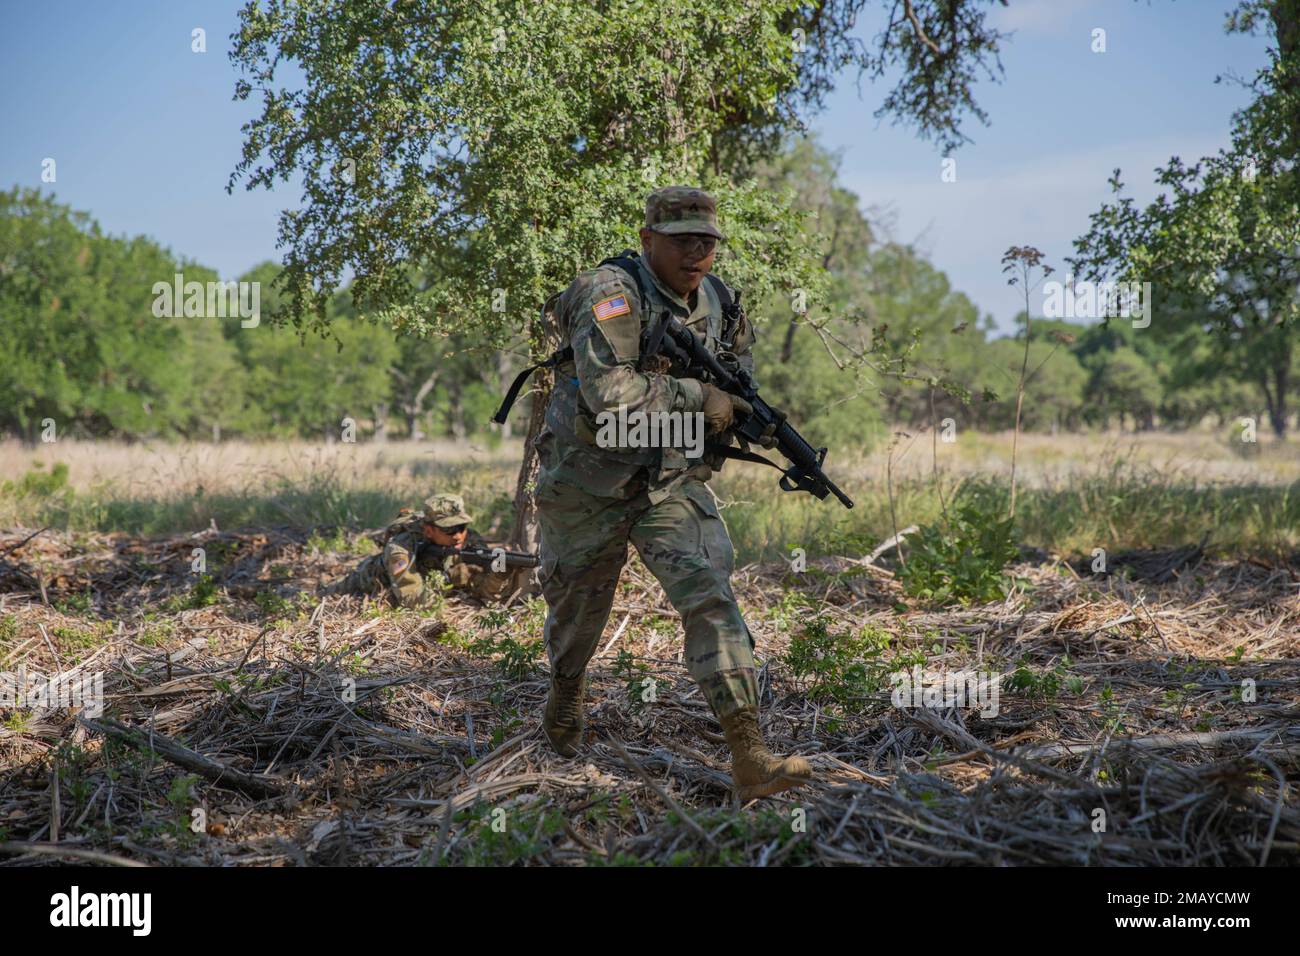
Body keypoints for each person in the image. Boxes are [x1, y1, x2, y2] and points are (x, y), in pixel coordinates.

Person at [533, 185, 812, 801]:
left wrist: (742, 410)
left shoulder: (718, 300)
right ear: (647, 240)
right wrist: (697, 400)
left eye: (706, 241)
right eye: (682, 240)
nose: (696, 253)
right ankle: (566, 692)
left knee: (711, 596)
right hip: (587, 482)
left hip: (667, 481)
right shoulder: (609, 293)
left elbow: (732, 375)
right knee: (578, 617)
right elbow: (611, 398)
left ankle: (748, 749)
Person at [323, 493, 506, 607]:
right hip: (370, 581)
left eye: (462, 526)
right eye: (449, 529)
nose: (458, 535)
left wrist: (498, 574)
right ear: (428, 529)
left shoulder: (469, 538)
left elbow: (487, 594)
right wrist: (451, 578)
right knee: (328, 592)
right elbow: (412, 601)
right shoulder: (401, 548)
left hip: (428, 582)